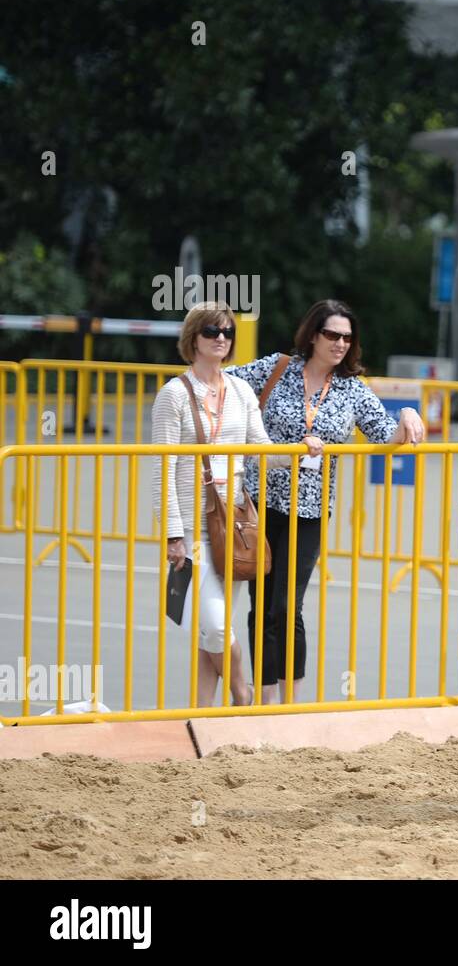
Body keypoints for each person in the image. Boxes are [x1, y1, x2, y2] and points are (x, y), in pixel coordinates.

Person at [226, 300, 425, 704]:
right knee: (259, 604)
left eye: (347, 337)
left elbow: (384, 435)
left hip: (311, 509)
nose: (340, 344)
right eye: (333, 335)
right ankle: (262, 700)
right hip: (261, 499)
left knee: (285, 605)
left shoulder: (352, 388)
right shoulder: (276, 368)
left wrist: (406, 411)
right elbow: (222, 383)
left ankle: (289, 702)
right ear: (313, 334)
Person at [151, 301, 286, 708]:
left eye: (228, 332)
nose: (222, 339)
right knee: (213, 627)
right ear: (193, 337)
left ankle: (202, 713)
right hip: (193, 527)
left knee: (215, 629)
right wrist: (173, 533)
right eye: (212, 331)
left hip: (235, 524)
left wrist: (302, 450)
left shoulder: (241, 390)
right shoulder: (173, 395)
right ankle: (242, 695)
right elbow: (162, 468)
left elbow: (259, 447)